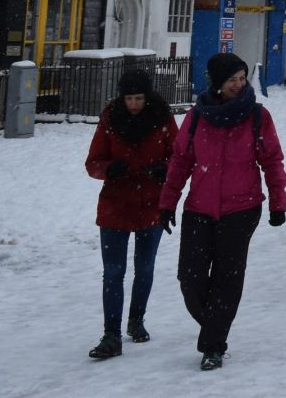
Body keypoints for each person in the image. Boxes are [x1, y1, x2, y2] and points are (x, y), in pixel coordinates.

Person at [160, 53, 286, 371]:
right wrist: (167, 203)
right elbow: (180, 162)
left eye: (242, 78)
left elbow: (272, 160)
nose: (239, 84)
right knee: (190, 280)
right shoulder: (197, 117)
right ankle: (215, 326)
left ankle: (213, 345)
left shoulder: (257, 116)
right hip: (199, 208)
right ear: (217, 83)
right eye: (232, 79)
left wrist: (278, 202)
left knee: (226, 280)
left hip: (242, 208)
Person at [83, 68, 178, 360]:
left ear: (147, 97)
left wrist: (164, 170)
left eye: (138, 98)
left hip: (152, 204)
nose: (134, 104)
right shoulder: (110, 119)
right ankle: (111, 334)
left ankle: (136, 319)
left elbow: (178, 157)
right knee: (113, 272)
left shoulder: (162, 118)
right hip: (116, 205)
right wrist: (109, 169)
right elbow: (93, 162)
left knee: (144, 267)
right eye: (129, 98)